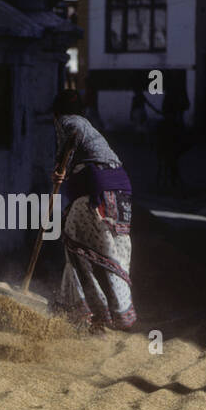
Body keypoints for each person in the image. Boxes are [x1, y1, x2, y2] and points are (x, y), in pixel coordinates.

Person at [51, 89, 136, 331]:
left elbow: (72, 136)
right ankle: (115, 314)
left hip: (97, 190)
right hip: (120, 190)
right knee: (110, 249)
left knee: (76, 247)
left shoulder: (68, 122)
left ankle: (85, 313)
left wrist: (59, 167)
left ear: (56, 113)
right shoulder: (88, 124)